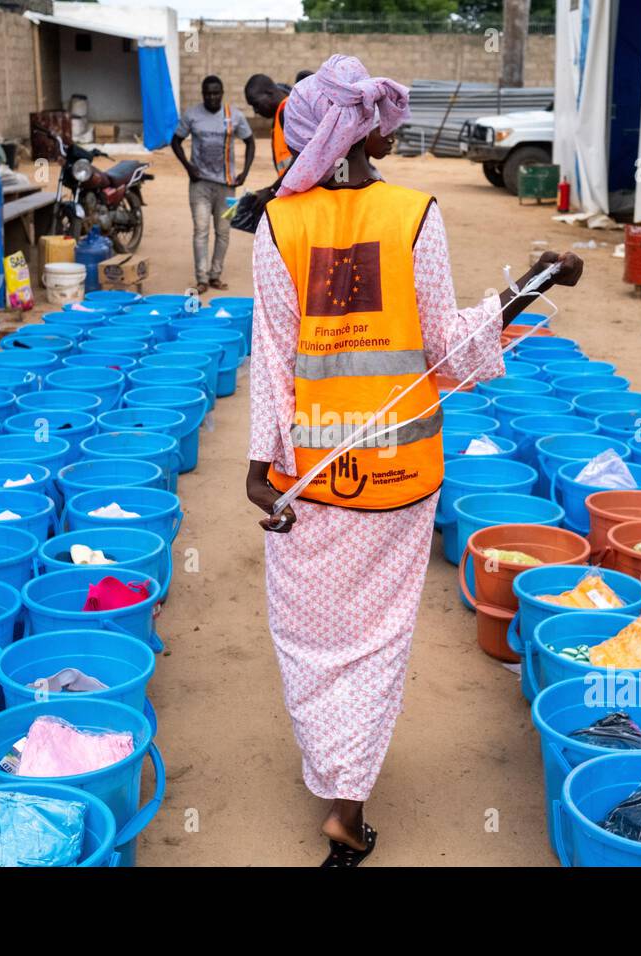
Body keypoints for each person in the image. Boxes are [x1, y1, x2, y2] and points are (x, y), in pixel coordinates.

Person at [244, 55, 583, 867]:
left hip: (310, 474)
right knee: (377, 641)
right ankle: (347, 801)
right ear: (377, 137)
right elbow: (448, 349)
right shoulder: (416, 214)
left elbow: (271, 355)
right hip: (401, 476)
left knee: (308, 637)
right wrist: (535, 280)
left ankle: (334, 775)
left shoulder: (278, 223)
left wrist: (259, 465)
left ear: (306, 134)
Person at [171, 76, 255, 293]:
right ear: (202, 94)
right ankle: (201, 279)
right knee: (201, 230)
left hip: (227, 185)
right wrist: (189, 168)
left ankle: (215, 275)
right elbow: (175, 141)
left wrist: (244, 172)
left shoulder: (233, 115)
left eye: (216, 93)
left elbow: (250, 141)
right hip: (199, 185)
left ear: (222, 93)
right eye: (207, 93)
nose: (212, 97)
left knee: (223, 231)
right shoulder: (192, 114)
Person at [244, 74, 293, 178]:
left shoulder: (288, 112)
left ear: (269, 92)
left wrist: (271, 190)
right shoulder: (280, 112)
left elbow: (302, 160)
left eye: (256, 104)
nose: (255, 111)